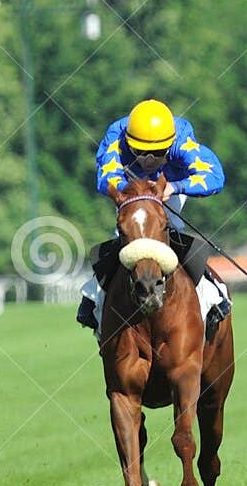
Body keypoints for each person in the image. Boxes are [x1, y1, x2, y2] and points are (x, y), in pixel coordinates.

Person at [79, 98, 228, 335]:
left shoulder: (181, 136)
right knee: (123, 236)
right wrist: (137, 194)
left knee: (172, 230)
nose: (148, 160)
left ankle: (214, 295)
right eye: (140, 152)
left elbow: (215, 176)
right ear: (129, 142)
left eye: (157, 153)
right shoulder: (116, 135)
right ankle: (93, 299)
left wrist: (175, 187)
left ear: (170, 144)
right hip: (133, 195)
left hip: (168, 190)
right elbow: (105, 177)